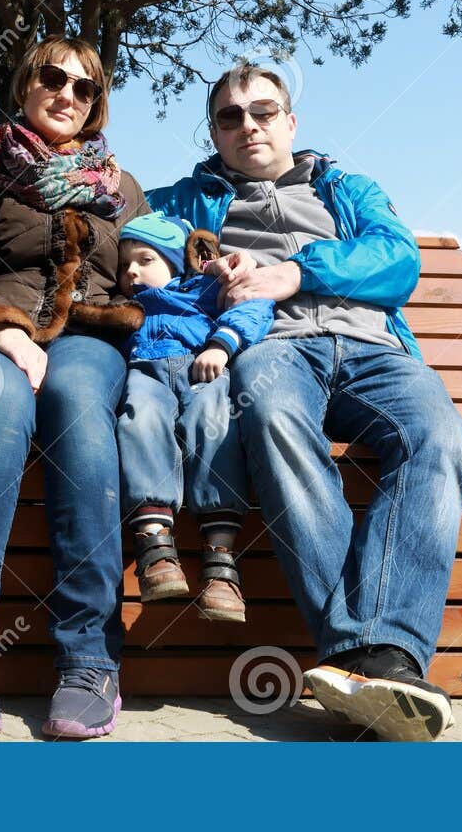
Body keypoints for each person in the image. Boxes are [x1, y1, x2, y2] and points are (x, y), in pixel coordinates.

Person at [0, 60, 462, 742]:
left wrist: (295, 270)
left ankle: (378, 653)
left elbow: (398, 260)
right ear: (214, 132)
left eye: (264, 111)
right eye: (230, 116)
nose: (249, 125)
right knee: (273, 419)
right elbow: (103, 209)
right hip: (270, 347)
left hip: (374, 346)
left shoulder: (345, 187)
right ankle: (365, 653)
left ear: (290, 121)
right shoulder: (186, 200)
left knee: (437, 435)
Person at [0, 36, 147, 740]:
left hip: (90, 338)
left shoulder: (123, 188)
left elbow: (154, 263)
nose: (66, 94)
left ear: (96, 104)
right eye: (52, 77)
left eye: (84, 87)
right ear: (25, 85)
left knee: (76, 396)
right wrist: (4, 329)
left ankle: (89, 658)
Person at [113, 212, 273, 623]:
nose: (132, 272)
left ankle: (220, 557)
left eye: (145, 260)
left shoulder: (204, 289)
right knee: (139, 417)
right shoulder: (125, 308)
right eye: (125, 264)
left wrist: (221, 345)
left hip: (203, 369)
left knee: (215, 423)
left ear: (174, 263)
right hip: (145, 372)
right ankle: (155, 544)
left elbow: (254, 307)